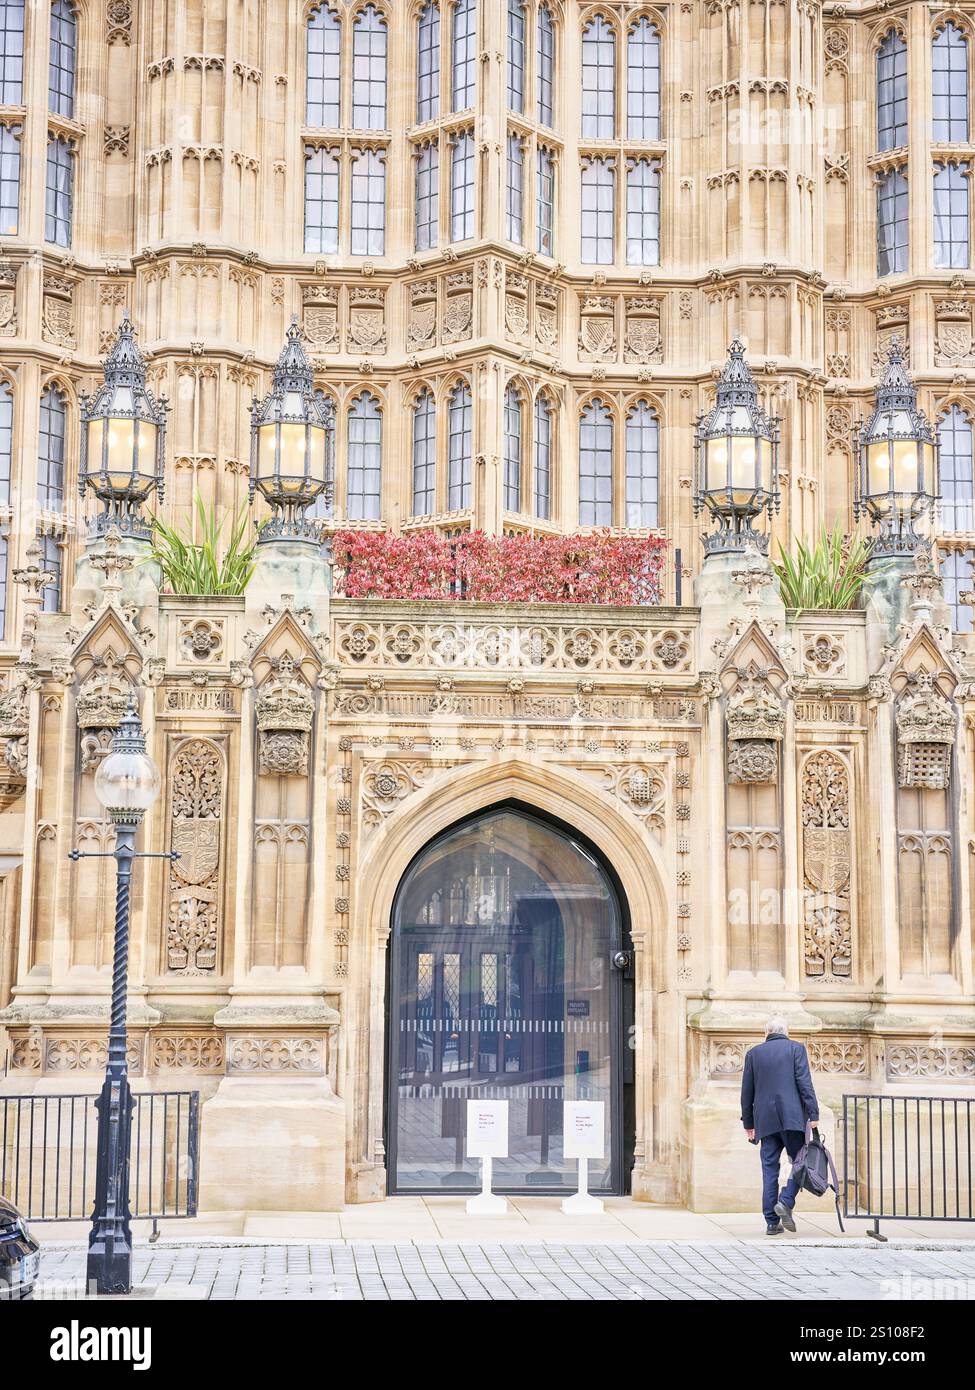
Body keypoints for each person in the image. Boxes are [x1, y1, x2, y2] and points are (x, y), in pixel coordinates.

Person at [740, 1016, 819, 1235]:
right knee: (800, 1163)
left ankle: (771, 1222)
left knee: (769, 1169)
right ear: (786, 1032)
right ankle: (785, 1201)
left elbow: (747, 1092)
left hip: (765, 1121)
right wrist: (813, 1113)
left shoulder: (754, 1054)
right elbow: (804, 1082)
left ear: (766, 1033)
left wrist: (749, 1123)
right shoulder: (796, 1049)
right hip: (793, 1118)